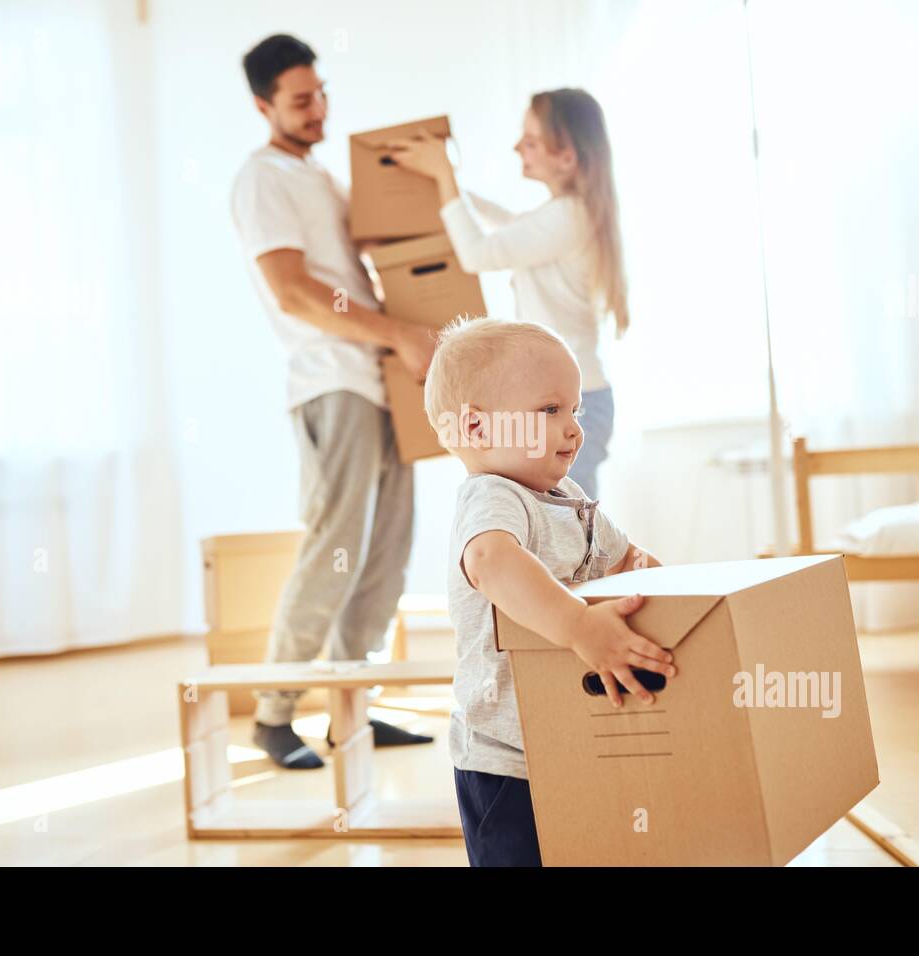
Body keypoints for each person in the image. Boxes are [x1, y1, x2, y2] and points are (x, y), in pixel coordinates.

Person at [230, 34, 437, 769]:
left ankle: (356, 708)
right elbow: (292, 291)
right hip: (332, 381)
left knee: (386, 554)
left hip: (383, 379)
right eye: (299, 100)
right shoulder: (263, 179)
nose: (317, 109)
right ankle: (274, 713)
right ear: (263, 106)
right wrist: (397, 331)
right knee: (336, 550)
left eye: (320, 92)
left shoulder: (320, 176)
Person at [422, 316, 674, 866]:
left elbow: (626, 560)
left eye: (575, 410)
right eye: (549, 410)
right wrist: (581, 625)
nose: (573, 428)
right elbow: (492, 561)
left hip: (569, 737)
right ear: (478, 429)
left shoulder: (567, 497)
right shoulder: (493, 498)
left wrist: (644, 576)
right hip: (506, 762)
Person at [388, 90, 629, 499]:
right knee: (562, 529)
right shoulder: (566, 214)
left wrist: (445, 178)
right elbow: (508, 225)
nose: (518, 147)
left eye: (531, 141)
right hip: (575, 397)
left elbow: (478, 253)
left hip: (574, 400)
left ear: (566, 156)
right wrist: (446, 182)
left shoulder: (566, 217)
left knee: (568, 533)